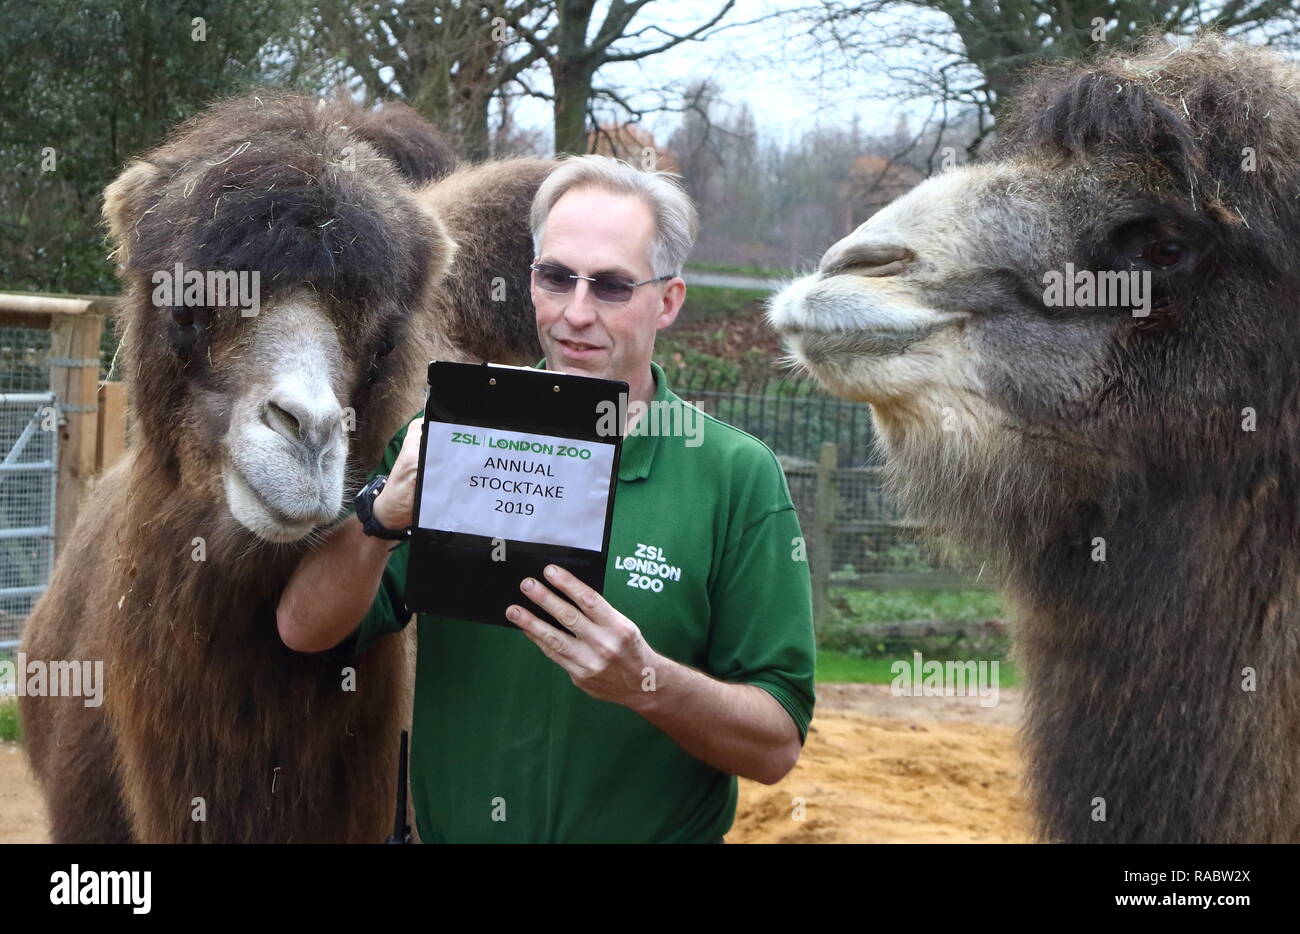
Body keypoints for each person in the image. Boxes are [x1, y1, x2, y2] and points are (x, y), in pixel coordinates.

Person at [277, 154, 816, 843]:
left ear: (670, 300)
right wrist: (382, 517)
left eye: (614, 287)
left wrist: (646, 681)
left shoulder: (735, 477)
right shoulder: (452, 434)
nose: (577, 314)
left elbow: (775, 746)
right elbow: (303, 629)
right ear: (531, 280)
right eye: (557, 278)